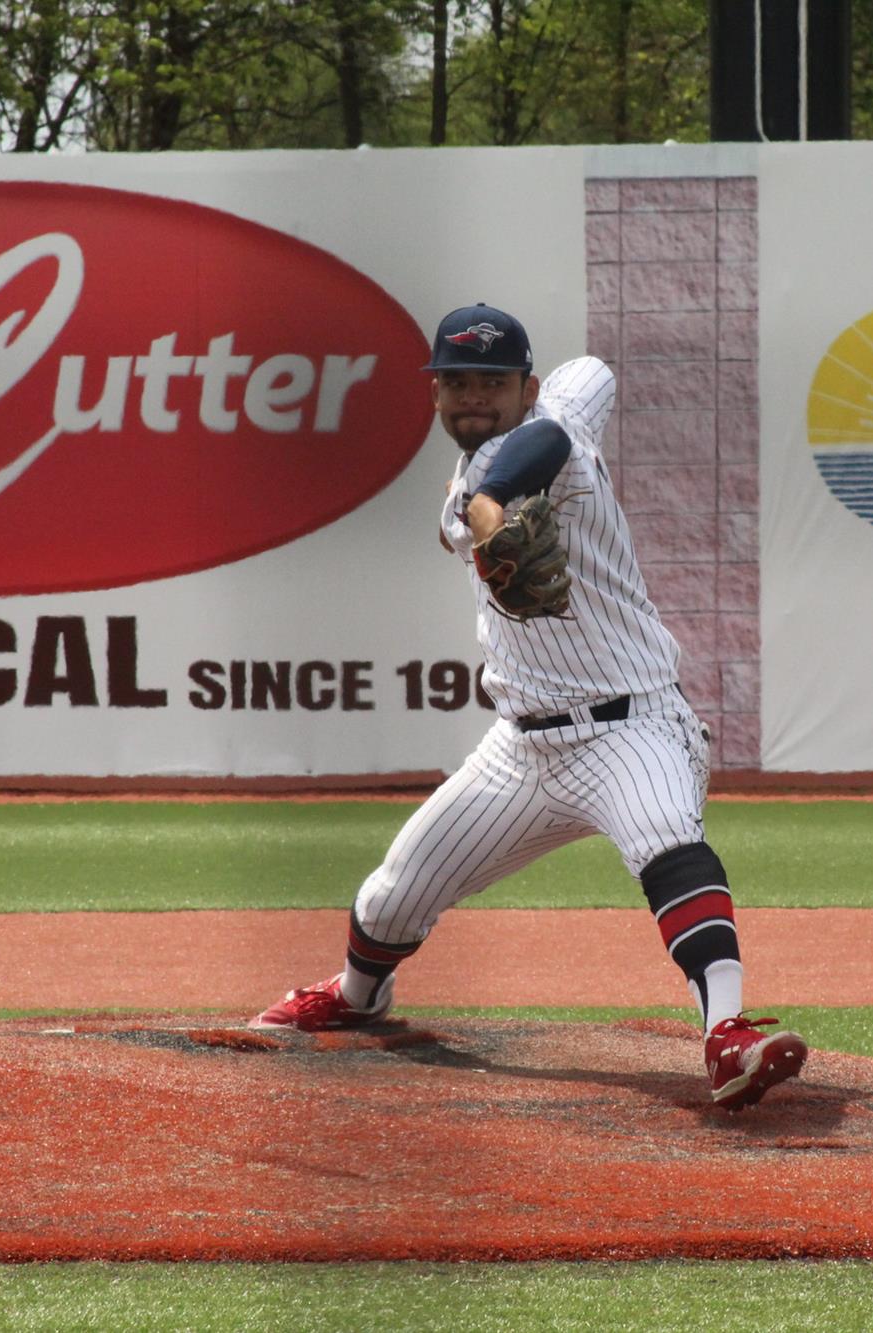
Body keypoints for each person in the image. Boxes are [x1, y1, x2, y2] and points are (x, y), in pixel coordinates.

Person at [251, 303, 806, 1111]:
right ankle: (359, 994)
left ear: (528, 385)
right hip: (520, 750)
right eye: (456, 383)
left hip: (634, 724)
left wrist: (501, 498)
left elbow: (565, 412)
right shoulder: (463, 493)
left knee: (666, 842)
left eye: (492, 382)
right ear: (435, 395)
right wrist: (485, 510)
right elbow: (512, 461)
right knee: (389, 896)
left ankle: (728, 1035)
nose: (474, 397)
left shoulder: (557, 428)